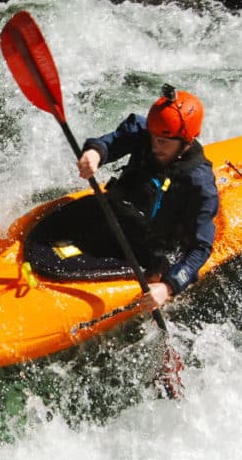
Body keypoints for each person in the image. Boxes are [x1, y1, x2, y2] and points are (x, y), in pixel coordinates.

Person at [76, 84, 219, 311]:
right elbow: (110, 142)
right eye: (153, 138)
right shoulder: (144, 132)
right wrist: (94, 153)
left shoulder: (199, 183)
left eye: (163, 142)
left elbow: (201, 247)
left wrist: (168, 287)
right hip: (118, 216)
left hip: (152, 247)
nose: (155, 146)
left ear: (186, 141)